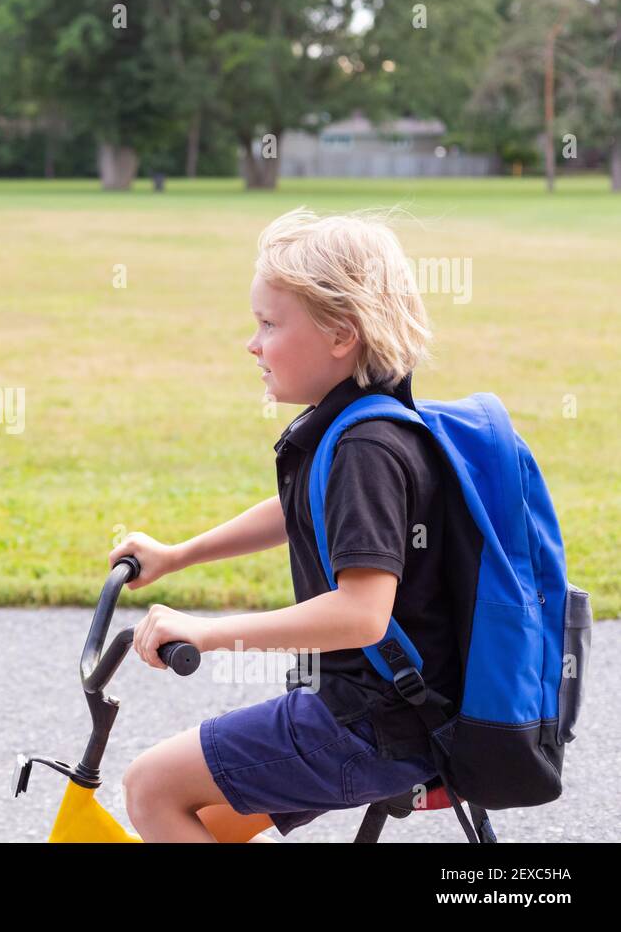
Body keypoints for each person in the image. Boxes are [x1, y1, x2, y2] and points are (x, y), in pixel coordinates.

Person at [112, 207, 466, 842]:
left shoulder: (366, 448)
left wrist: (208, 632)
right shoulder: (358, 424)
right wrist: (178, 555)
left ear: (340, 334)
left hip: (367, 725)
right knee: (212, 823)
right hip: (384, 714)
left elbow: (362, 614)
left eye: (269, 324)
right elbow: (298, 511)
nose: (253, 344)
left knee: (151, 787)